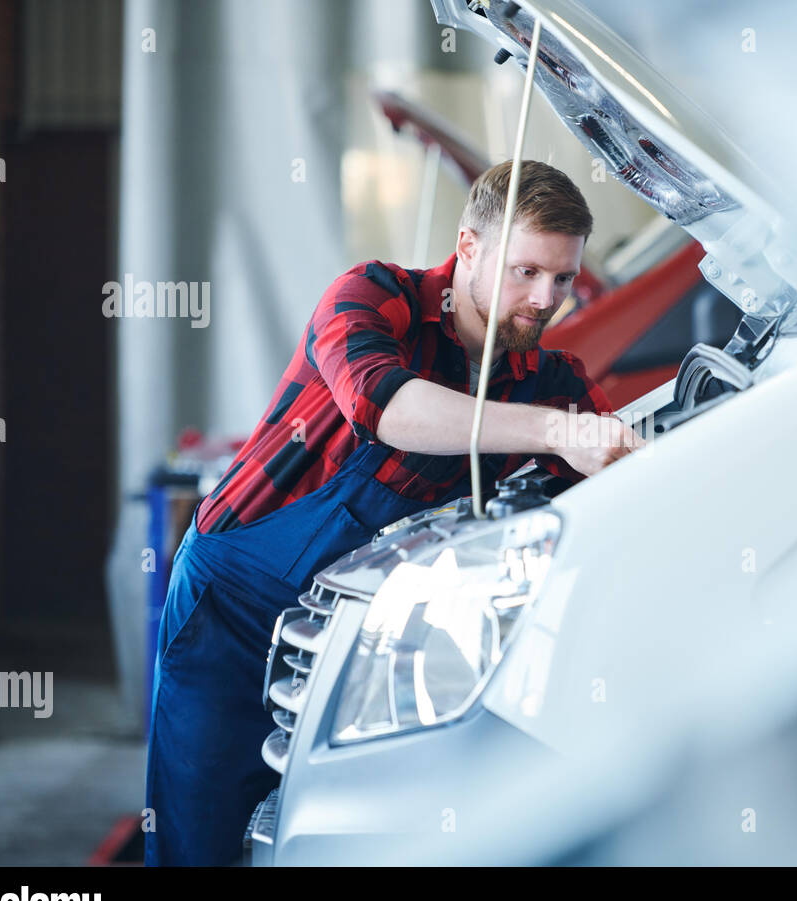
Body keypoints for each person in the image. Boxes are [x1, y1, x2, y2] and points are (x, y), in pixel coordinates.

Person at [145, 159, 644, 865]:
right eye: (525, 271)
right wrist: (552, 431)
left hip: (358, 638)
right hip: (231, 610)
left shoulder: (549, 380)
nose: (545, 299)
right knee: (203, 837)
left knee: (312, 840)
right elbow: (386, 406)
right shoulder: (374, 298)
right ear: (468, 247)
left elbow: (622, 494)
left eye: (563, 278)